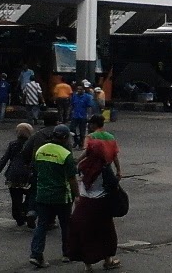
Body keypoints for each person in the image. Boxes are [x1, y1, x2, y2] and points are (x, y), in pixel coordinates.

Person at [67, 115, 122, 271]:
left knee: (84, 233)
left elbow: (85, 155)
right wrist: (118, 170)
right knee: (106, 232)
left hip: (85, 203)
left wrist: (78, 161)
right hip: (101, 203)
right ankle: (108, 260)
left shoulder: (84, 166)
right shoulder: (109, 141)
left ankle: (88, 265)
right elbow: (115, 156)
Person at [29, 124, 78, 268]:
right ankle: (67, 253)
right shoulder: (65, 154)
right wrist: (77, 196)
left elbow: (37, 168)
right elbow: (72, 178)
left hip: (43, 194)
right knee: (65, 225)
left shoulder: (41, 150)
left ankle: (36, 254)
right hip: (61, 196)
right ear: (64, 138)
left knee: (42, 225)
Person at [0, 123, 35, 227]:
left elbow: (4, 159)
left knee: (15, 197)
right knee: (31, 194)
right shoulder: (32, 144)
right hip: (27, 173)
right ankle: (26, 210)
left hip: (13, 174)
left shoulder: (13, 144)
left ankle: (17, 216)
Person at [70, 83, 95, 149]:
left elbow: (89, 107)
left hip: (83, 116)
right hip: (75, 115)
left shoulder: (87, 97)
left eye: (80, 89)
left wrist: (89, 116)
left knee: (82, 131)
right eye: (78, 89)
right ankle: (76, 141)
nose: (78, 90)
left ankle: (81, 144)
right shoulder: (74, 96)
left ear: (83, 90)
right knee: (72, 129)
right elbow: (72, 105)